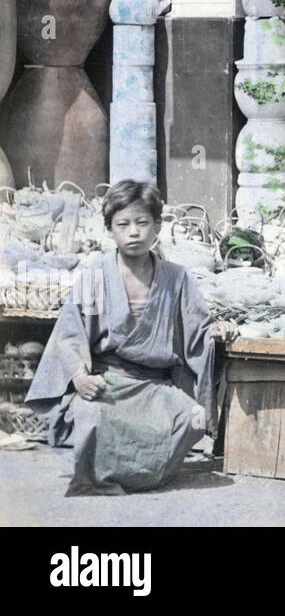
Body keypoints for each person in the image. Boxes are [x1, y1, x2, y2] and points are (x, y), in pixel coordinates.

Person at [25, 180, 237, 496]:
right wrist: (80, 376)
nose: (134, 232)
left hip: (154, 385)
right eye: (123, 224)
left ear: (157, 227)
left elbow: (198, 330)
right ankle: (111, 473)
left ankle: (150, 474)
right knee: (92, 413)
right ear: (110, 229)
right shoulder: (95, 275)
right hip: (108, 380)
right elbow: (70, 333)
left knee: (193, 418)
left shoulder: (177, 277)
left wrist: (216, 331)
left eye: (142, 223)